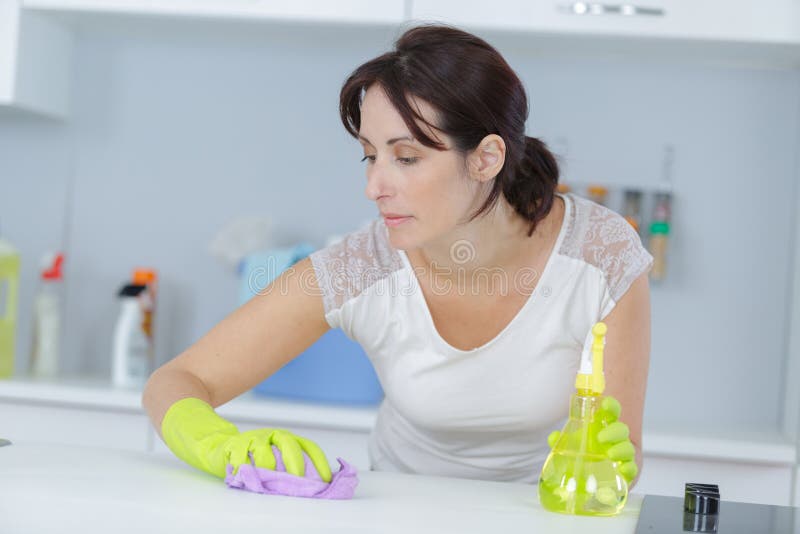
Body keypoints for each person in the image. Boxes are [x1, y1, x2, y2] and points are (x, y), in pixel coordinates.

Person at [142, 24, 652, 487]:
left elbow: (619, 450)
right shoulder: (364, 266)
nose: (374, 186)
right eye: (370, 155)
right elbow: (177, 381)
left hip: (546, 516)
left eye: (406, 157)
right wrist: (221, 446)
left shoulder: (600, 255)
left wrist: (605, 466)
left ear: (486, 158)